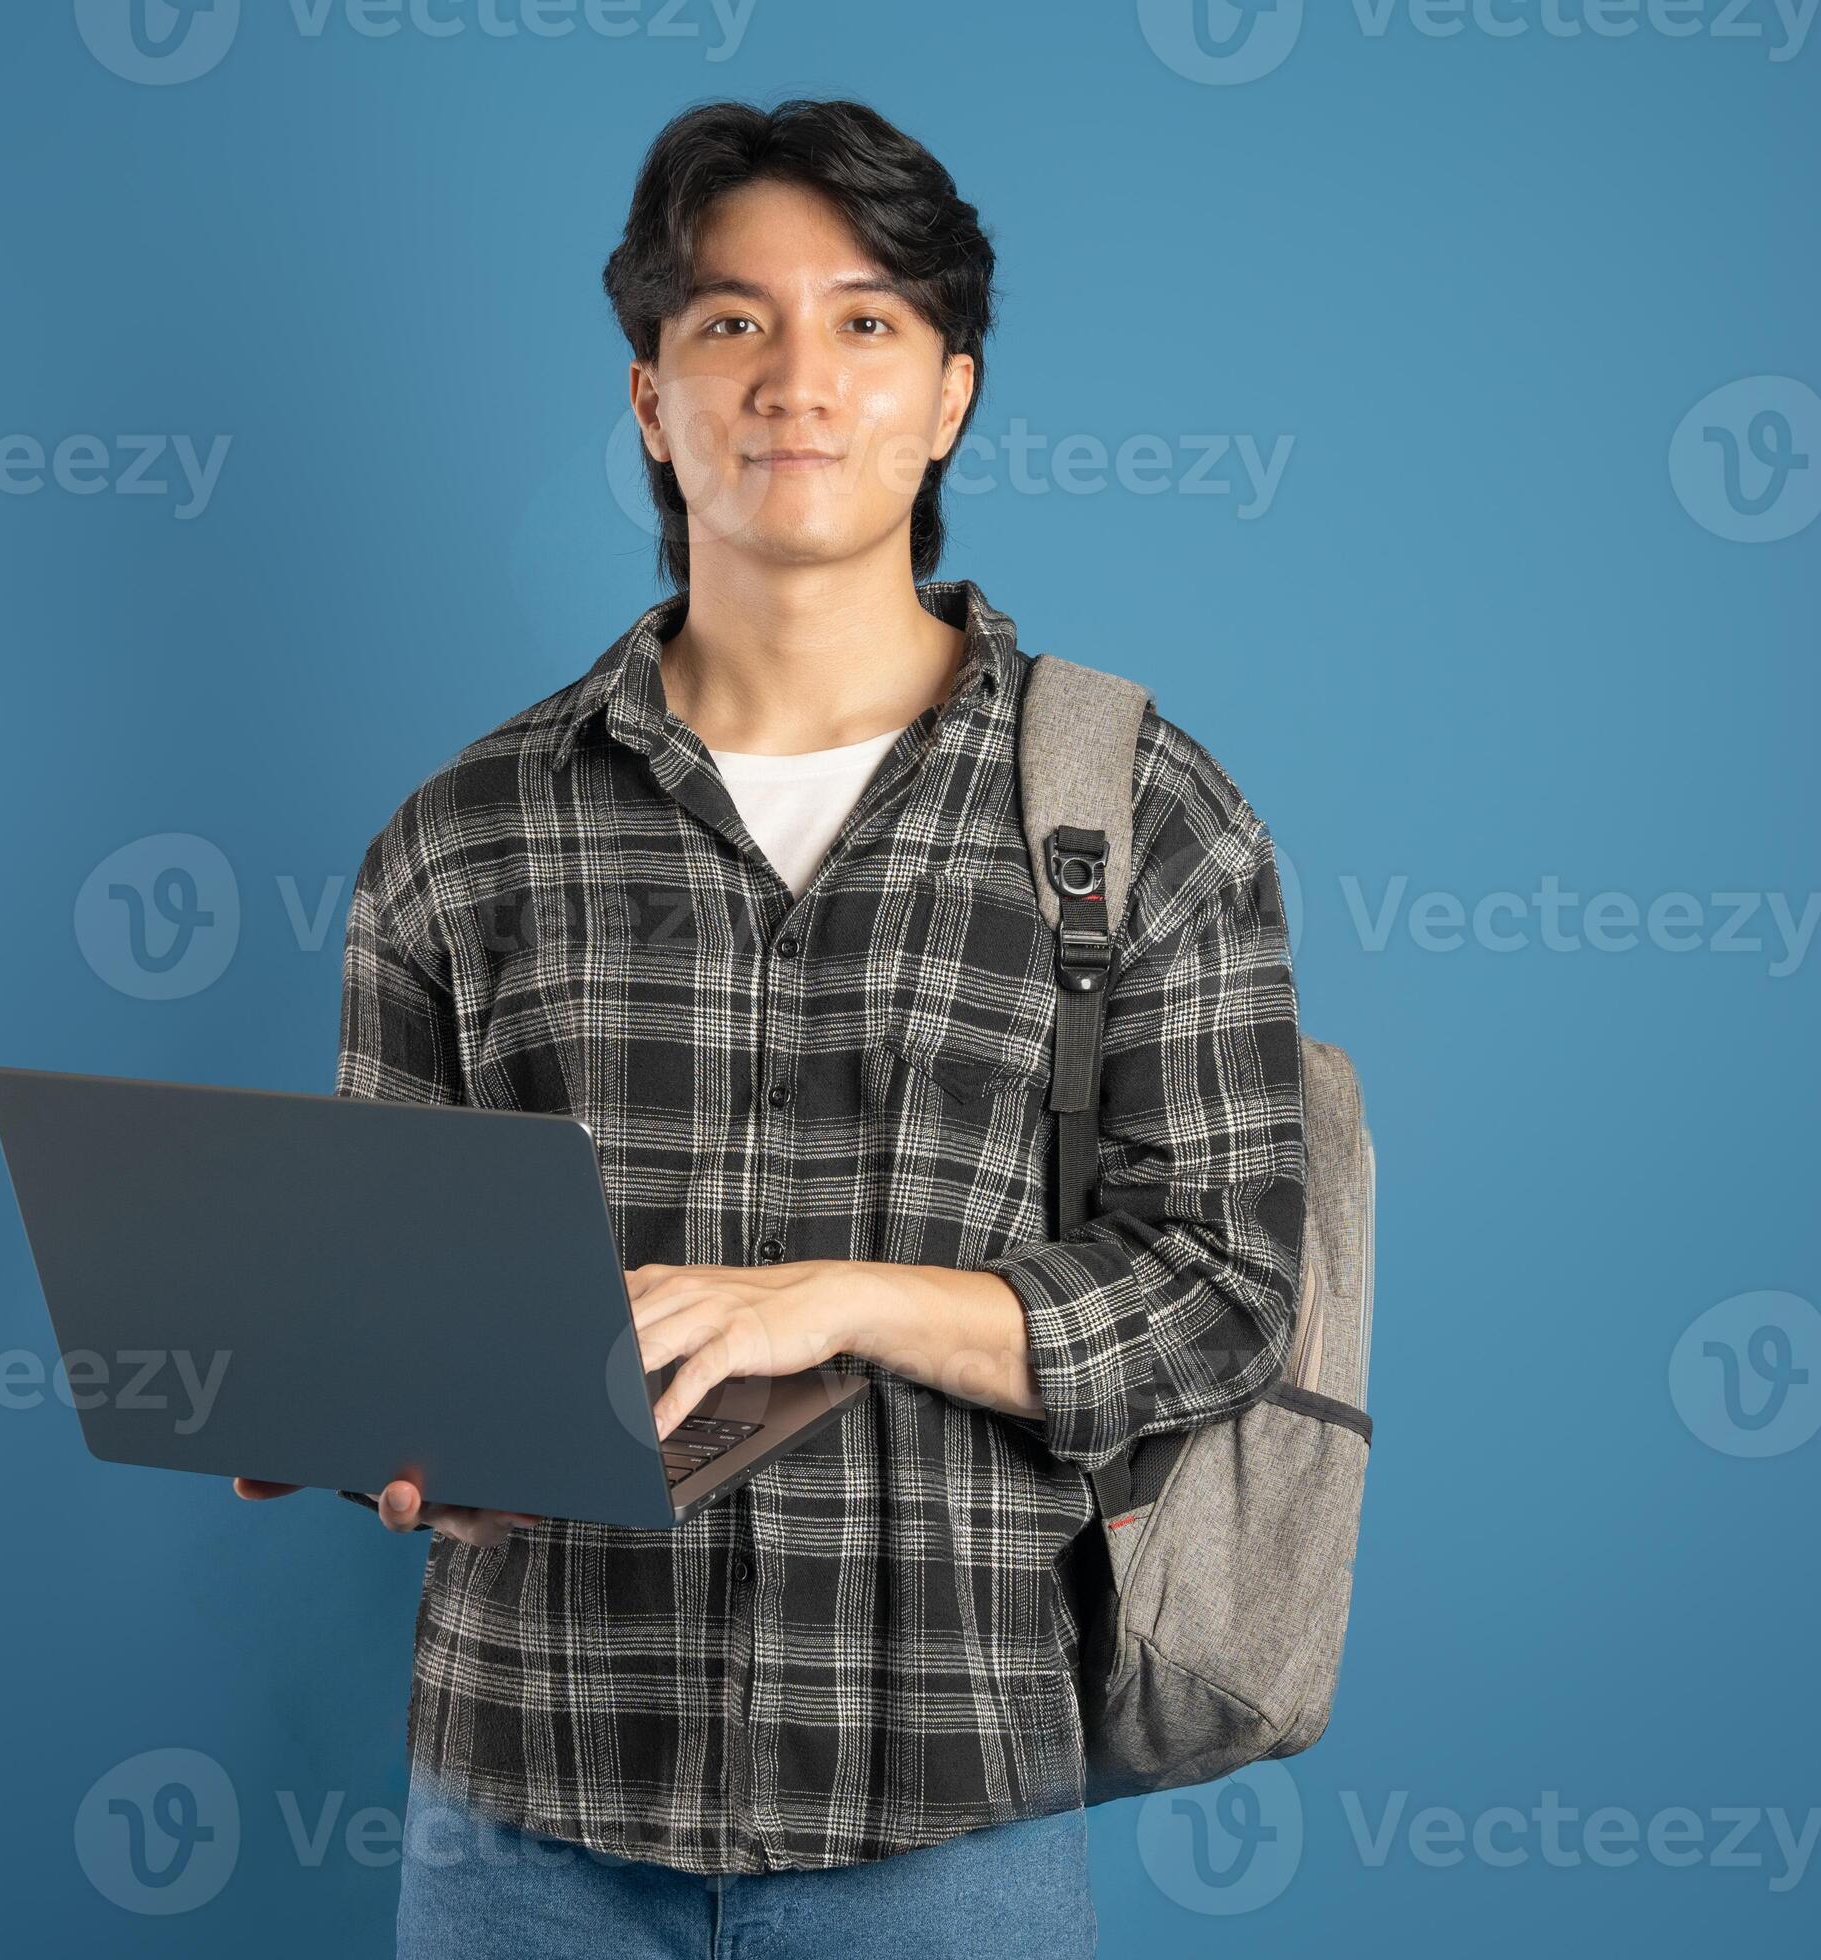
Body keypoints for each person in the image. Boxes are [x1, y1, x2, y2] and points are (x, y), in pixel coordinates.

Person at [236, 95, 1307, 1959]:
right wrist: (346, 1407)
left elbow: (1221, 1289)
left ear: (950, 393)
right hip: (524, 1811)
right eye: (730, 320)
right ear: (649, 396)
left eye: (866, 321)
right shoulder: (462, 837)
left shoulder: (1133, 809)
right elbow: (389, 1287)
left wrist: (836, 1294)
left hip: (945, 1815)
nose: (795, 376)